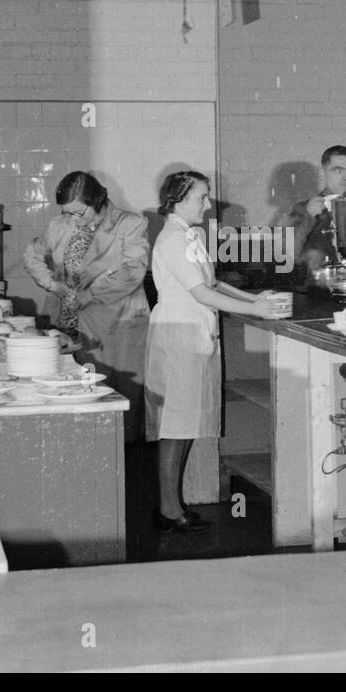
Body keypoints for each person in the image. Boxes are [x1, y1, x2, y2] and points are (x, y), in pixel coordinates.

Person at [145, 171, 283, 533]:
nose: (207, 205)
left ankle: (172, 506)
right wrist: (255, 310)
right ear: (178, 200)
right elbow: (202, 294)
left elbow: (213, 281)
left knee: (185, 424)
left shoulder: (188, 235)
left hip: (193, 335)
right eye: (201, 198)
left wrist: (254, 298)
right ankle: (169, 510)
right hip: (179, 338)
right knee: (175, 427)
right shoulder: (173, 239)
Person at [23, 171, 150, 443]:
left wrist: (89, 294)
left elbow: (133, 271)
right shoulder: (60, 225)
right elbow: (32, 254)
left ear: (97, 201)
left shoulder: (129, 224)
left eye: (78, 212)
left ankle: (124, 460)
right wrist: (52, 284)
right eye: (67, 213)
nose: (72, 219)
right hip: (68, 326)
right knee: (77, 397)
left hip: (118, 327)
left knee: (120, 404)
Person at [283, 145, 346, 278]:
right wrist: (308, 216)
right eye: (338, 170)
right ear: (322, 173)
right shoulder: (304, 209)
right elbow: (286, 253)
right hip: (320, 284)